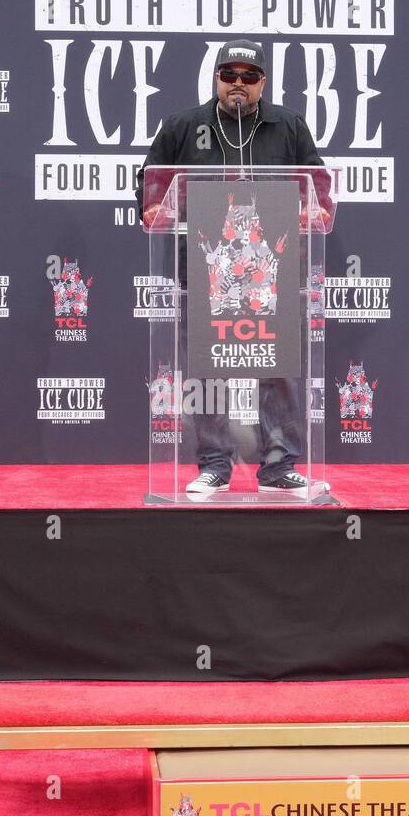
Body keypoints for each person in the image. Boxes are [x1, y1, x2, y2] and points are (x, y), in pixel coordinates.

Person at [135, 40, 328, 494]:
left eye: (248, 76)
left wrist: (312, 210)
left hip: (273, 277)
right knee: (207, 371)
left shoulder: (288, 126)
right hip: (206, 276)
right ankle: (214, 465)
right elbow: (150, 187)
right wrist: (154, 210)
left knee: (278, 371)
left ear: (263, 82)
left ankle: (279, 467)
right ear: (216, 78)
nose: (237, 84)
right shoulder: (183, 126)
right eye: (229, 75)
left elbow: (316, 188)